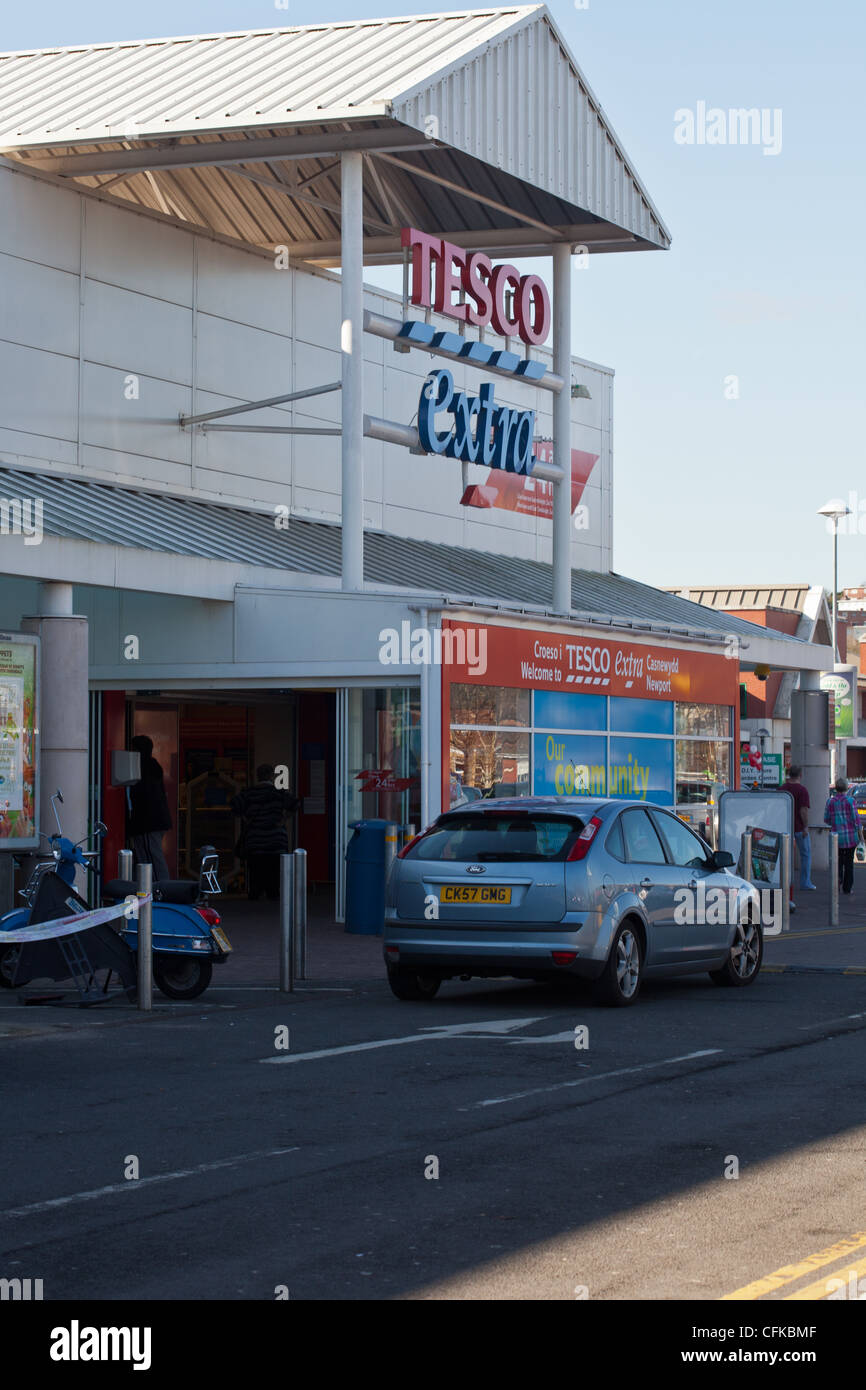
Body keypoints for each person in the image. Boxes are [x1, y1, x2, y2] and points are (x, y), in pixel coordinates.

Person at [231, 766, 299, 900]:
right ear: (271, 776)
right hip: (276, 839)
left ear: (257, 776)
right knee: (274, 871)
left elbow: (234, 806)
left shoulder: (248, 793)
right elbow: (295, 804)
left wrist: (246, 818)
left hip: (255, 838)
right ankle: (273, 896)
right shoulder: (279, 793)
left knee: (256, 870)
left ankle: (255, 896)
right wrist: (284, 819)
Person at [127, 734, 172, 881]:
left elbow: (142, 798)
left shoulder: (142, 768)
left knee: (151, 859)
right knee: (150, 858)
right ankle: (155, 891)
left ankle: (163, 890)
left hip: (148, 823)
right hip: (153, 822)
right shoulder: (152, 766)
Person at [824, 776, 864, 896]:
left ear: (836, 788)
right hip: (850, 838)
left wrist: (835, 822)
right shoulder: (851, 801)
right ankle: (847, 888)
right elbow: (857, 821)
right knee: (849, 863)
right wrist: (861, 837)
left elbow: (826, 819)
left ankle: (837, 881)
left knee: (838, 862)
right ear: (846, 788)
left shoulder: (830, 802)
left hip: (836, 838)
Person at [782, 764, 816, 892]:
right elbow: (803, 811)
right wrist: (805, 826)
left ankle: (784, 881)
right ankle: (805, 882)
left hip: (784, 827)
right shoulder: (802, 790)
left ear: (789, 774)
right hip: (799, 828)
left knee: (785, 856)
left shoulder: (782, 789)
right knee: (805, 855)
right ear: (800, 776)